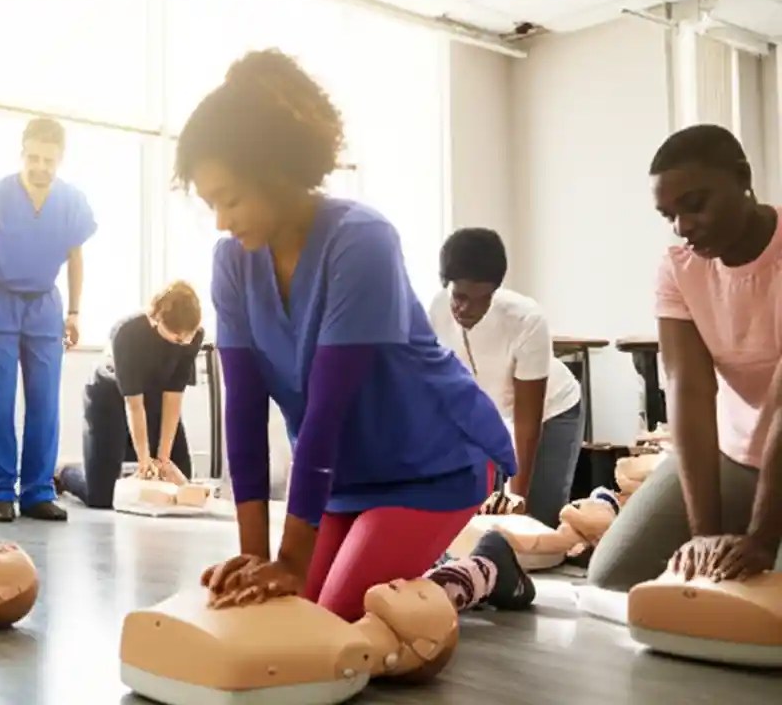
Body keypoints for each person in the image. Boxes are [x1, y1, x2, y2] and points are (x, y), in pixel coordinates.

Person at [176, 49, 535, 622]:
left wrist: (291, 561)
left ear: (275, 171)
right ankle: (433, 565)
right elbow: (243, 412)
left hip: (435, 464)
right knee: (289, 612)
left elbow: (326, 411)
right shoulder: (232, 263)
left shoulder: (361, 240)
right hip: (346, 477)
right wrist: (254, 561)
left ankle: (481, 569)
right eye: (211, 203)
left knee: (343, 623)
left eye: (231, 198)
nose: (221, 220)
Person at [588, 123, 782, 590]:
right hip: (738, 456)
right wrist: (705, 538)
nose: (682, 226)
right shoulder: (679, 268)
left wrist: (760, 536)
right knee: (614, 574)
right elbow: (688, 390)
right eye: (668, 215)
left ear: (742, 177)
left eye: (695, 204)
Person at [0, 117, 98, 522]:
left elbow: (76, 257)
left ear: (61, 160)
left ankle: (37, 491)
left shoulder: (72, 201)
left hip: (44, 305)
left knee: (45, 404)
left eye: (49, 160)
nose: (41, 166)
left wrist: (74, 311)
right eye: (34, 157)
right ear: (22, 153)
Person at [428, 228, 585, 528]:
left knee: (534, 523)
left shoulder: (526, 320)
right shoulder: (436, 309)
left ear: (494, 291)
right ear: (447, 284)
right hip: (489, 414)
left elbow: (527, 423)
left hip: (552, 410)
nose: (466, 308)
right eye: (459, 296)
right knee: (476, 518)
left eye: (480, 299)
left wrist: (518, 502)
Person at [56, 281, 205, 509]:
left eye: (189, 337)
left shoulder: (191, 336)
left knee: (180, 484)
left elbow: (173, 397)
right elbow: (134, 405)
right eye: (178, 338)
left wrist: (163, 459)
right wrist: (145, 460)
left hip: (154, 394)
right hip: (109, 397)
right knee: (102, 498)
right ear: (156, 320)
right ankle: (64, 473)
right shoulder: (128, 333)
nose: (185, 343)